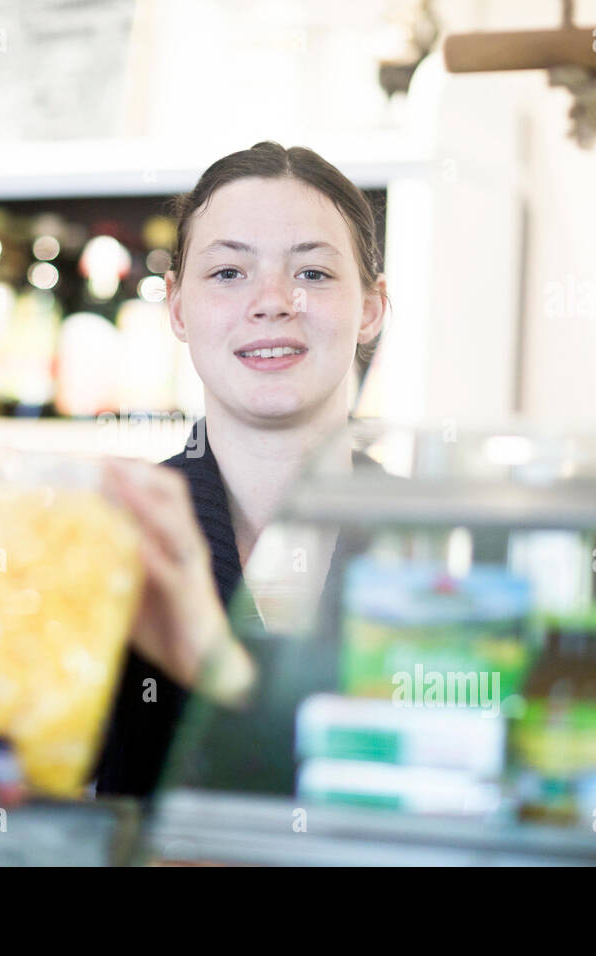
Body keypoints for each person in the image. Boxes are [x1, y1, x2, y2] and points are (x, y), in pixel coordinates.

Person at [94, 141, 388, 798]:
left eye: (313, 274)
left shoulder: (435, 542)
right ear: (176, 308)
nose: (272, 301)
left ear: (371, 308)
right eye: (229, 273)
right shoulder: (102, 534)